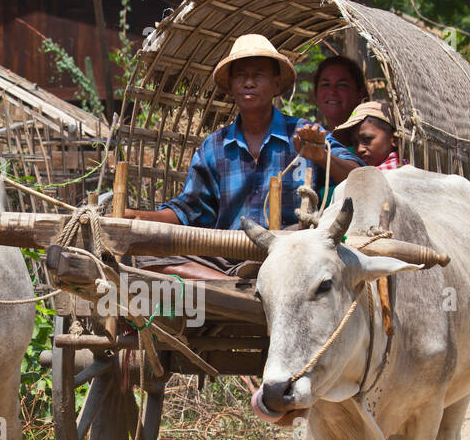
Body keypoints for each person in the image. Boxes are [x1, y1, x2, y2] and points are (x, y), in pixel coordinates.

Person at [122, 34, 361, 279]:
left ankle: (250, 281)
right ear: (230, 88)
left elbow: (359, 177)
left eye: (258, 75)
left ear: (276, 85)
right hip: (224, 255)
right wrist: (137, 217)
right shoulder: (214, 146)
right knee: (144, 257)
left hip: (287, 252)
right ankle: (235, 284)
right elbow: (189, 209)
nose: (249, 82)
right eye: (241, 76)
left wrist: (320, 155)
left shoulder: (304, 134)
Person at [334, 100, 406, 170]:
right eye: (354, 143)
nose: (360, 149)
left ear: (394, 139)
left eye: (367, 139)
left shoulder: (392, 170)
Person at [312, 55, 368, 133]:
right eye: (326, 84)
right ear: (316, 93)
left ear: (360, 94)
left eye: (342, 85)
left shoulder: (370, 139)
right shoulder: (312, 140)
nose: (332, 91)